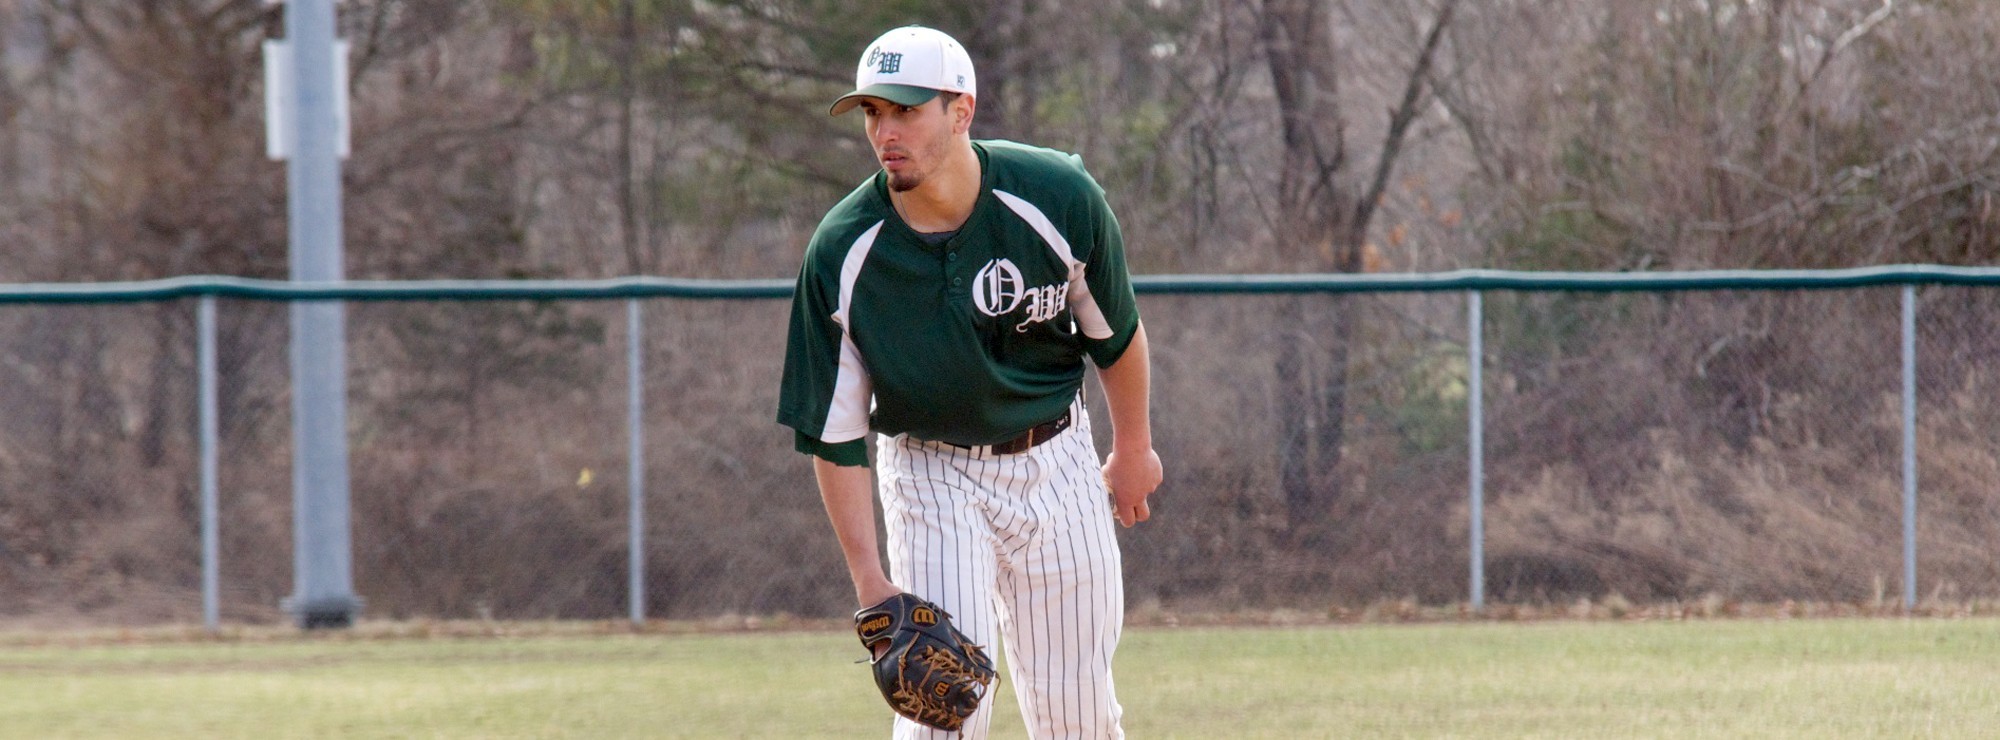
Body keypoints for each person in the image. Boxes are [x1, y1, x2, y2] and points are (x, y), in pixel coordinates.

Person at [776, 24, 1163, 739]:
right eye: (872, 112)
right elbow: (834, 438)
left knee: (1079, 713)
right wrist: (871, 584)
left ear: (962, 109)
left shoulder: (1056, 197)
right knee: (944, 714)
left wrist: (1133, 448)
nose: (885, 130)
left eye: (905, 109)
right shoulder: (843, 251)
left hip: (1059, 460)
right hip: (932, 472)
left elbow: (1117, 336)